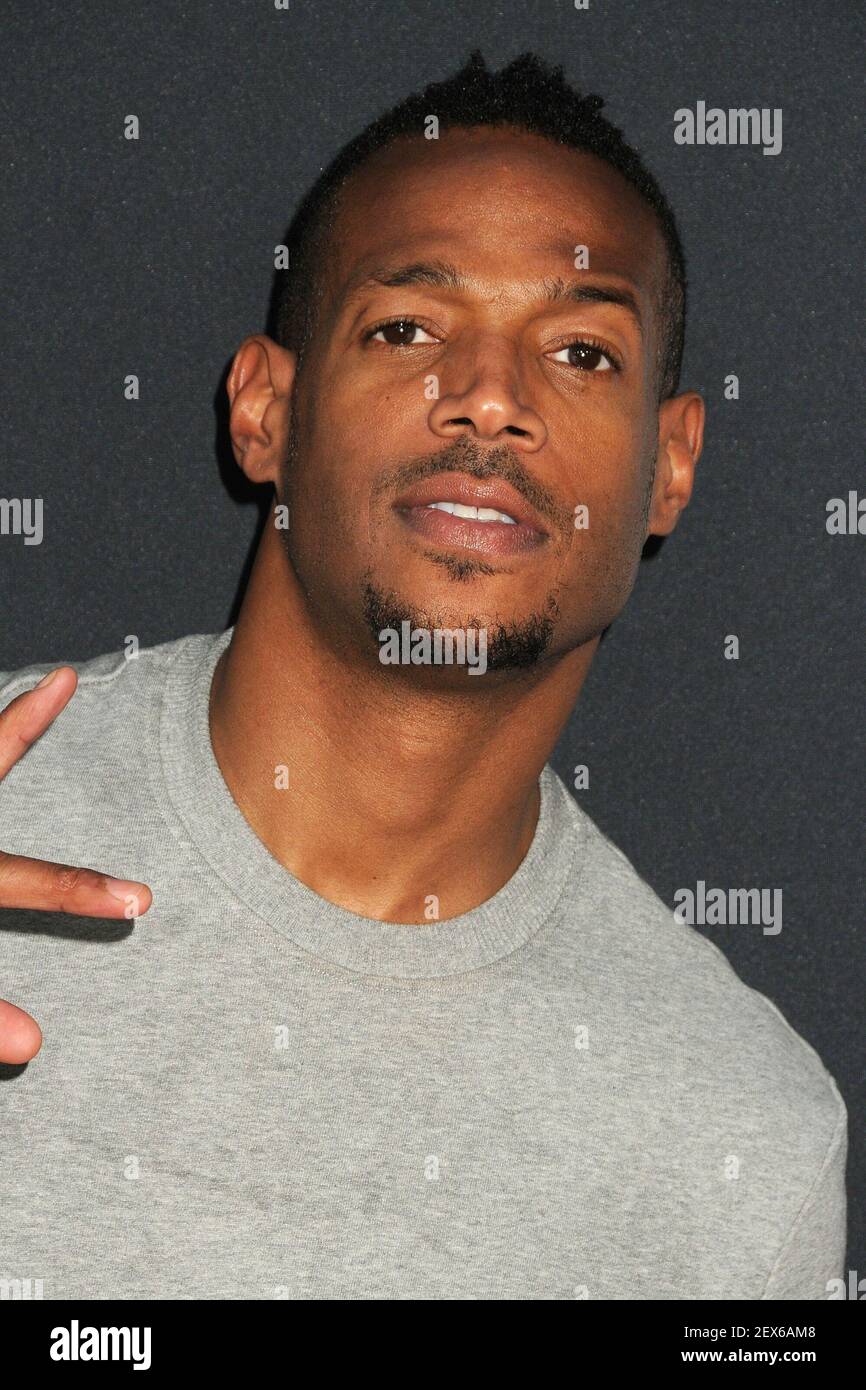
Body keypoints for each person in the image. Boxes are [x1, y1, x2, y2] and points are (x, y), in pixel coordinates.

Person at [0, 51, 846, 1300]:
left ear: (671, 466)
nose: (491, 399)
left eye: (581, 353)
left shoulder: (744, 1145)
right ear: (264, 412)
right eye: (407, 327)